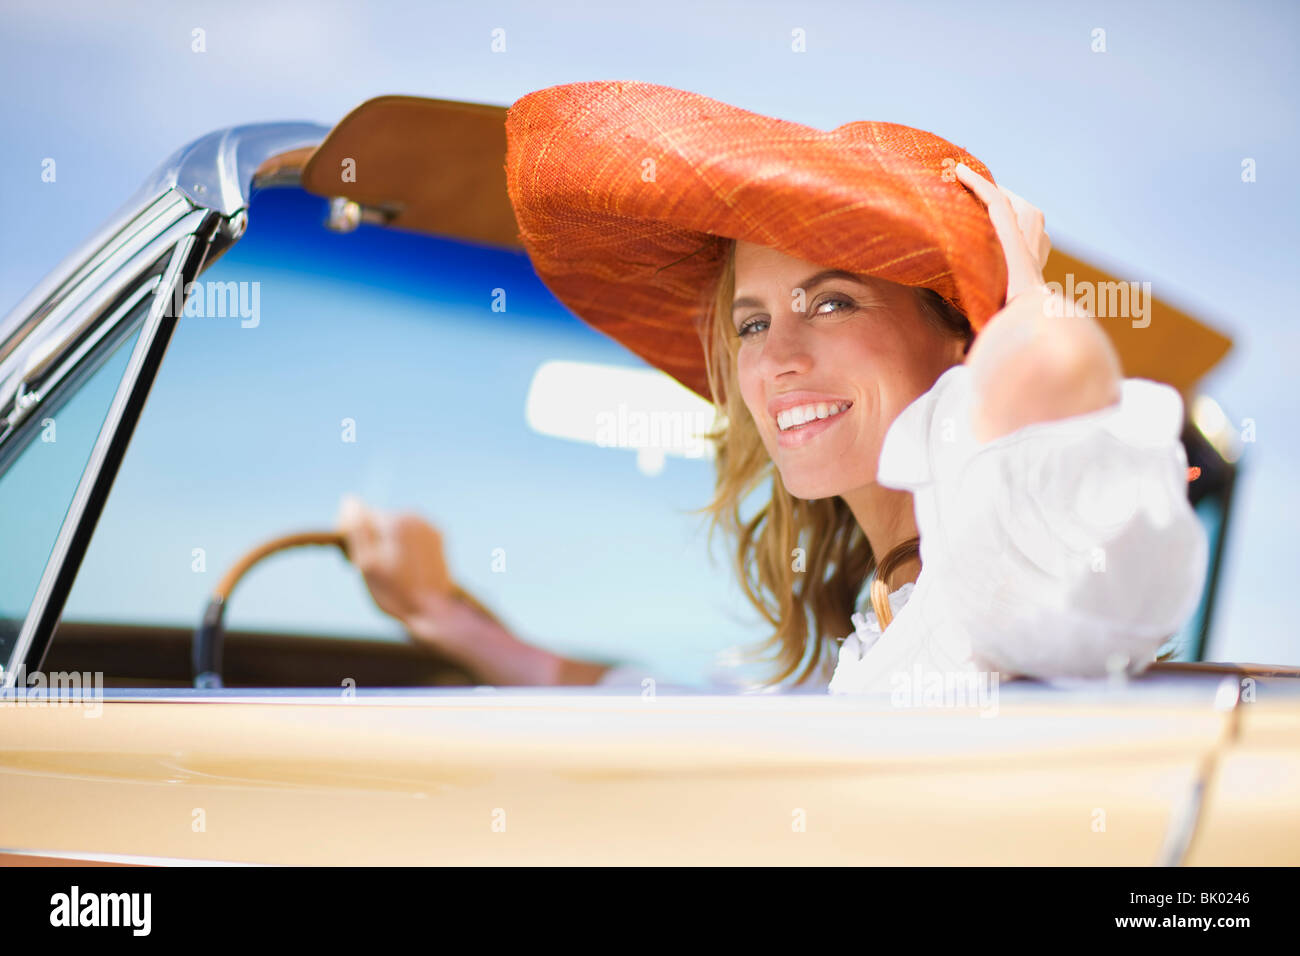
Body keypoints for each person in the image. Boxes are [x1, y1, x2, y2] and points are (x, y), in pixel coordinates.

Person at [339, 81, 1207, 693]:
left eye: (831, 302)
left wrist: (1017, 293)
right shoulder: (894, 610)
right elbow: (693, 727)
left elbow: (1055, 377)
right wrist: (456, 625)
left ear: (960, 341)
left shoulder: (999, 570)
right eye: (751, 322)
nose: (775, 358)